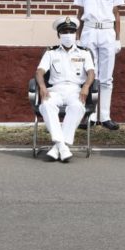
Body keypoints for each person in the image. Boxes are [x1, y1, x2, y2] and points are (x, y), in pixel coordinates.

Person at [74, 0, 124, 131]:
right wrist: (77, 37)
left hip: (107, 31)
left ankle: (105, 116)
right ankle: (91, 115)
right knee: (89, 73)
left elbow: (116, 14)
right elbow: (79, 12)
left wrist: (118, 38)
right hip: (89, 30)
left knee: (107, 77)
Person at [35, 16, 96, 162]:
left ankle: (57, 148)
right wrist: (42, 86)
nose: (68, 35)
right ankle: (62, 147)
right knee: (46, 105)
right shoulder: (51, 53)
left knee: (77, 107)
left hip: (75, 90)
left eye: (71, 32)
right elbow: (39, 72)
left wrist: (86, 86)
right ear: (59, 35)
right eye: (64, 32)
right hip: (55, 90)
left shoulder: (84, 52)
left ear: (76, 34)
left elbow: (91, 73)